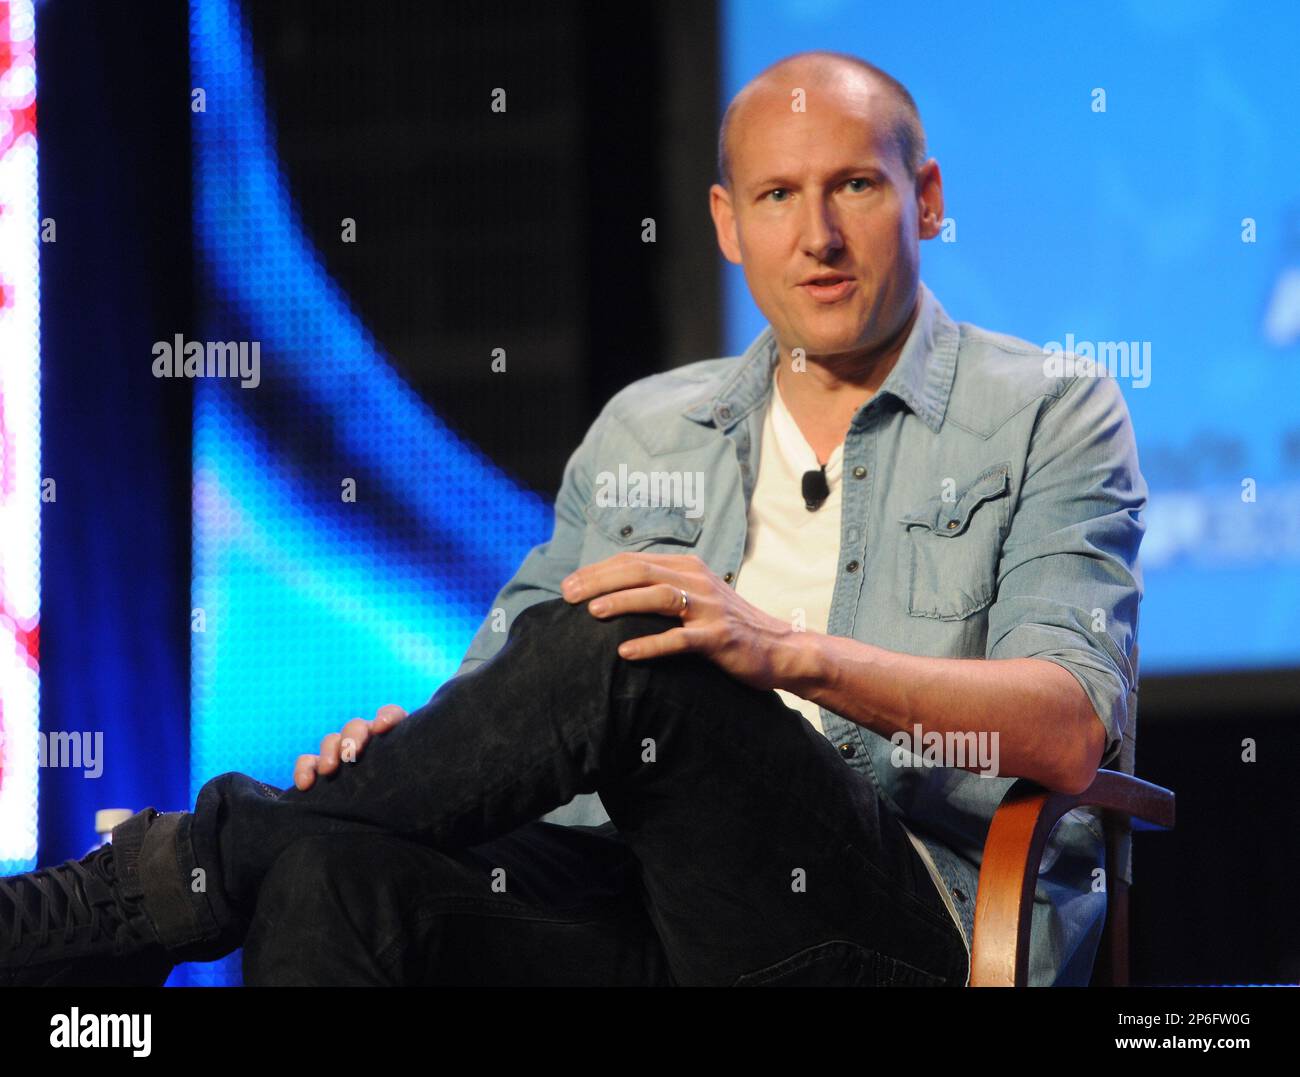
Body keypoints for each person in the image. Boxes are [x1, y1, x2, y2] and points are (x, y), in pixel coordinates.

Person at [0, 49, 1145, 987]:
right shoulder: (646, 428)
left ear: (925, 198)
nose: (818, 236)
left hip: (897, 927)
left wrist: (784, 652)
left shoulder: (1049, 408)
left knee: (647, 638)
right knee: (327, 874)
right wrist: (398, 759)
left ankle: (150, 887)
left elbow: (1066, 732)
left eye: (853, 186)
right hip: (626, 904)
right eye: (776, 196)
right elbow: (507, 697)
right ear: (726, 222)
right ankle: (218, 866)